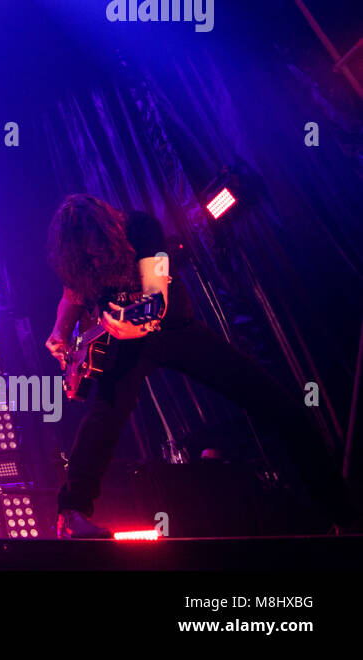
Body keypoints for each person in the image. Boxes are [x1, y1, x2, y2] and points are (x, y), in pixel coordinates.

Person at [44, 194, 355, 538]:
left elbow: (157, 300)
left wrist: (136, 323)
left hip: (176, 329)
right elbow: (72, 294)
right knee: (102, 416)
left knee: (273, 402)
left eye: (95, 247)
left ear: (108, 229)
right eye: (84, 253)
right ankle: (71, 515)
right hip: (126, 346)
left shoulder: (142, 229)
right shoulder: (80, 260)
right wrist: (59, 331)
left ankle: (342, 512)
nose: (93, 256)